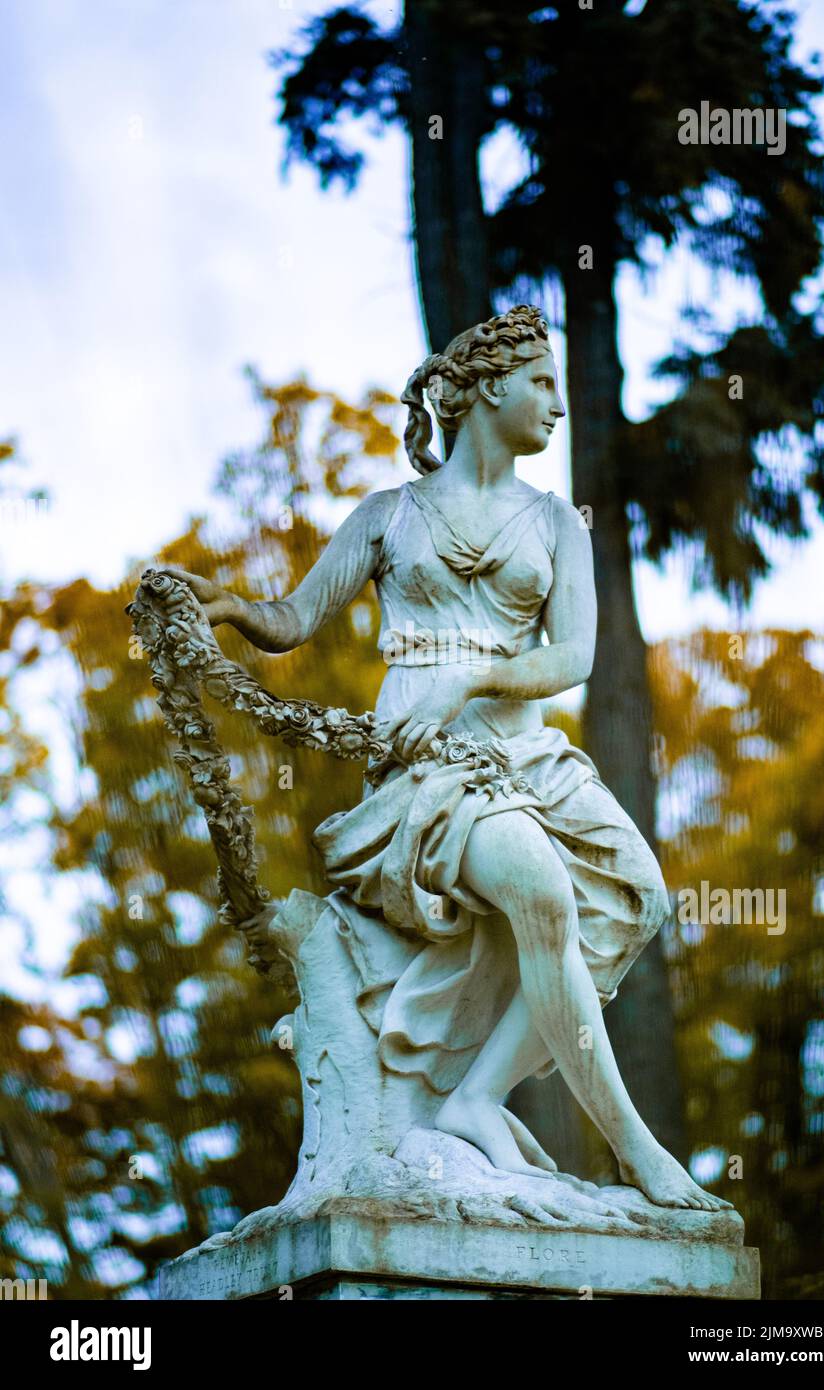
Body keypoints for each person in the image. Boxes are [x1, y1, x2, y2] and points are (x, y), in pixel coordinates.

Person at [165, 305, 730, 1211]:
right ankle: (638, 1152)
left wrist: (469, 682)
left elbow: (571, 658)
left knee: (636, 899)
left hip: (527, 755)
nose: (556, 406)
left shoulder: (555, 522)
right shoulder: (391, 515)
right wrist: (227, 605)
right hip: (427, 769)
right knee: (541, 890)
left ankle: (474, 1097)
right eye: (542, 384)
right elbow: (292, 620)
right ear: (486, 386)